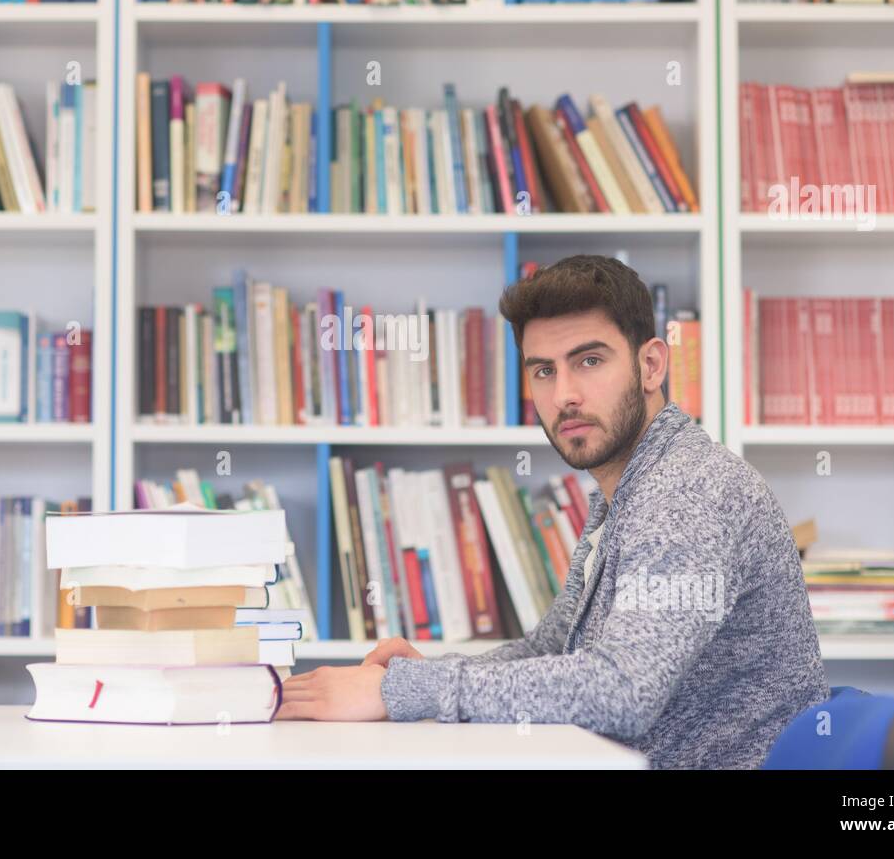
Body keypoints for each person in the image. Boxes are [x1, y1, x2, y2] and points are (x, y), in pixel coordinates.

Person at [277, 254, 830, 768]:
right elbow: (552, 649)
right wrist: (425, 676)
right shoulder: (625, 492)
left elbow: (624, 691)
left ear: (652, 365)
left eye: (589, 360)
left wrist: (398, 692)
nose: (564, 393)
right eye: (543, 370)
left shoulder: (687, 493)